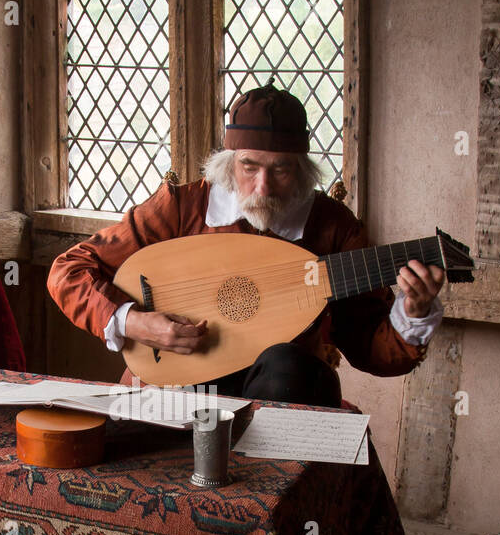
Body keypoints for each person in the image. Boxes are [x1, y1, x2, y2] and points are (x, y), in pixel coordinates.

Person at [47, 83, 445, 404]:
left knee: (287, 365)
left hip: (282, 393)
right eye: (249, 167)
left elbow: (369, 348)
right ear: (229, 163)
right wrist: (134, 322)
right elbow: (69, 271)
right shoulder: (183, 206)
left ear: (303, 171)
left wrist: (413, 311)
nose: (263, 186)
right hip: (178, 385)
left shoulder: (333, 227)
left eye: (281, 170)